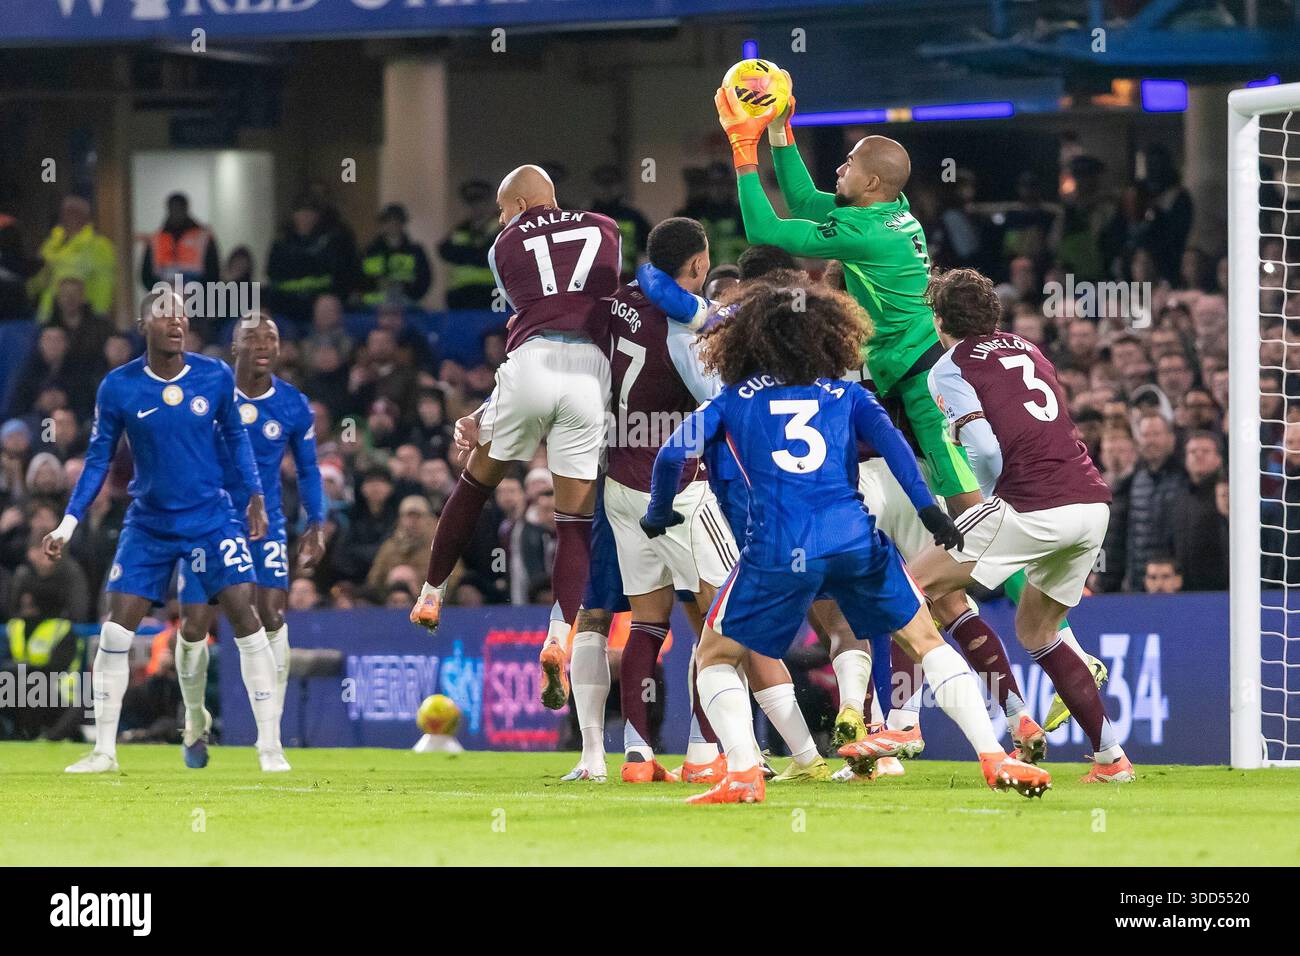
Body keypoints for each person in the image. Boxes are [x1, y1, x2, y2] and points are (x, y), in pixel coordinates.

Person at [642, 279, 1050, 804]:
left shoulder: (732, 400)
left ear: (750, 341)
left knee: (715, 656)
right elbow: (898, 452)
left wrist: (657, 513)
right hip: (855, 541)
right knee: (927, 641)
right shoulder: (849, 393)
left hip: (777, 549)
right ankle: (994, 756)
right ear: (827, 337)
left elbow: (672, 456)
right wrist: (931, 513)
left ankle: (743, 775)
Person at [899, 268, 1135, 785]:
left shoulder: (949, 366)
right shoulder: (1030, 350)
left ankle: (900, 724)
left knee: (907, 588)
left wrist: (991, 498)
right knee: (1038, 628)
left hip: (1029, 502)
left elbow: (983, 446)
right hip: (1090, 504)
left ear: (939, 319)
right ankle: (1111, 760)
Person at [713, 73, 984, 522]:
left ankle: (1030, 591)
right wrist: (780, 130)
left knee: (968, 509)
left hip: (921, 379)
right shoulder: (889, 212)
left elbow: (766, 233)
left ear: (872, 180)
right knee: (939, 504)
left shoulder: (867, 231)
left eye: (849, 163)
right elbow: (800, 201)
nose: (840, 169)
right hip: (906, 368)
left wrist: (744, 150)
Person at [42, 290, 287, 774]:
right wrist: (68, 523)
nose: (176, 321)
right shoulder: (119, 387)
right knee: (114, 632)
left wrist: (255, 496)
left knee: (245, 618)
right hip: (150, 522)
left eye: (181, 314)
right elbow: (97, 461)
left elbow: (237, 439)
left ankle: (270, 747)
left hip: (211, 519)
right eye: (164, 314)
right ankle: (104, 752)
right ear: (142, 325)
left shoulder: (214, 375)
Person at [410, 165, 621, 707]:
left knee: (476, 484)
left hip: (531, 360)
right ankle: (557, 637)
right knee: (574, 520)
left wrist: (489, 412)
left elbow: (533, 300)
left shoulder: (504, 244)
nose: (500, 220)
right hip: (590, 370)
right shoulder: (607, 227)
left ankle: (432, 594)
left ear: (522, 206)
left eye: (505, 210)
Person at [173, 314, 325, 768]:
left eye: (272, 337)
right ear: (233, 347)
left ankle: (269, 735)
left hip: (266, 525)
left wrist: (317, 521)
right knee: (194, 626)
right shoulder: (207, 393)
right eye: (251, 337)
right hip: (207, 523)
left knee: (271, 614)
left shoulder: (294, 405)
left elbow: (309, 470)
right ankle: (195, 718)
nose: (263, 343)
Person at [31, 195, 117, 323]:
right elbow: (37, 280)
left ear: (85, 217)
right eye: (65, 212)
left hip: (82, 316)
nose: (67, 216)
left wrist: (98, 315)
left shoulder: (99, 245)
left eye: (73, 212)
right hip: (48, 314)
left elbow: (105, 284)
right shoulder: (51, 243)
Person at [139, 193, 221, 293]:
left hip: (196, 299)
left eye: (179, 208)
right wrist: (160, 292)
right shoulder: (156, 239)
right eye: (173, 209)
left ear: (186, 209)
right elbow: (146, 274)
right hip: (165, 299)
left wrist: (200, 294)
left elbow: (214, 272)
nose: (176, 212)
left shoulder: (203, 237)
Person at [439, 180, 501, 309]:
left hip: (492, 290)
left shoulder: (500, 227)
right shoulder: (460, 229)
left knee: (495, 328)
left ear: (489, 202)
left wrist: (465, 254)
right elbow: (444, 251)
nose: (476, 207)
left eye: (480, 201)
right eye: (471, 203)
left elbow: (489, 256)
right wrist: (475, 252)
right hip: (462, 292)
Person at [359, 204, 433, 307]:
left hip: (406, 304)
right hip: (375, 306)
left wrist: (406, 290)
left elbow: (424, 280)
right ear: (382, 224)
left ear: (403, 223)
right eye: (388, 221)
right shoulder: (371, 252)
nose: (393, 224)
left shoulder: (415, 251)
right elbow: (361, 280)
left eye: (397, 220)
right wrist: (377, 286)